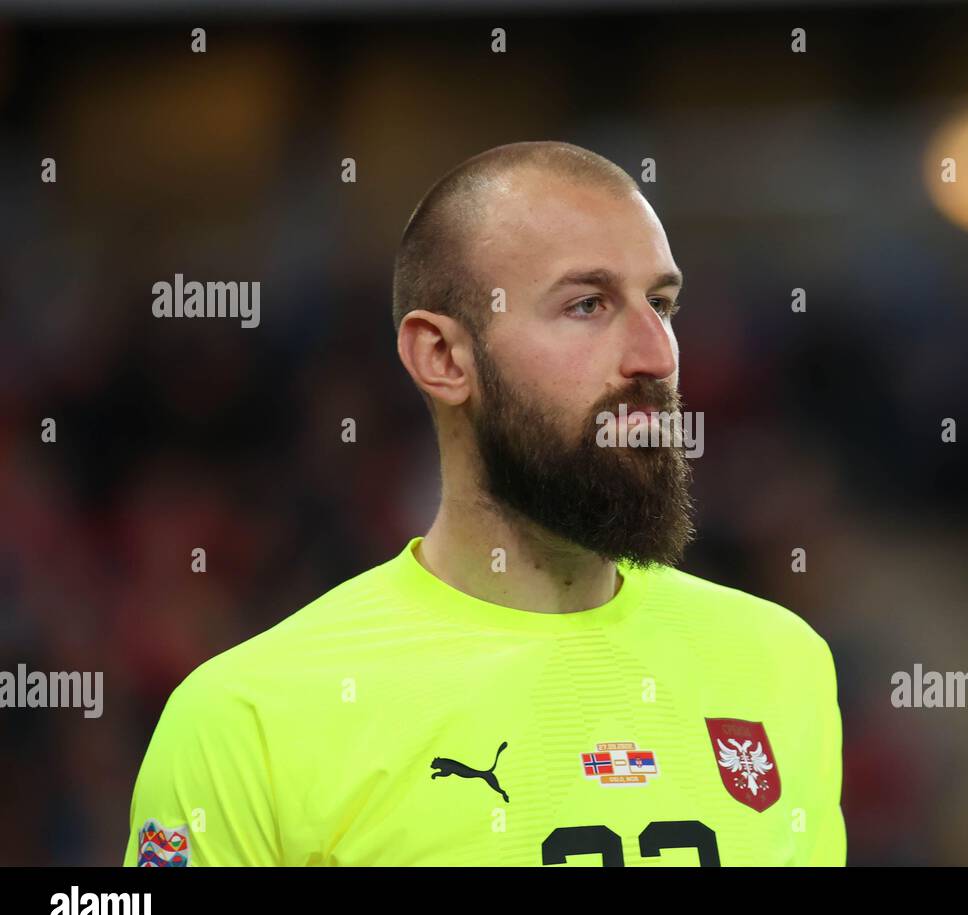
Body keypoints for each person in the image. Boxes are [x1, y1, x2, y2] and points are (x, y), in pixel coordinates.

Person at [123, 141, 845, 866]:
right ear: (441, 358)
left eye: (661, 303)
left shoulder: (783, 661)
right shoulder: (247, 721)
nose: (656, 355)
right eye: (587, 305)